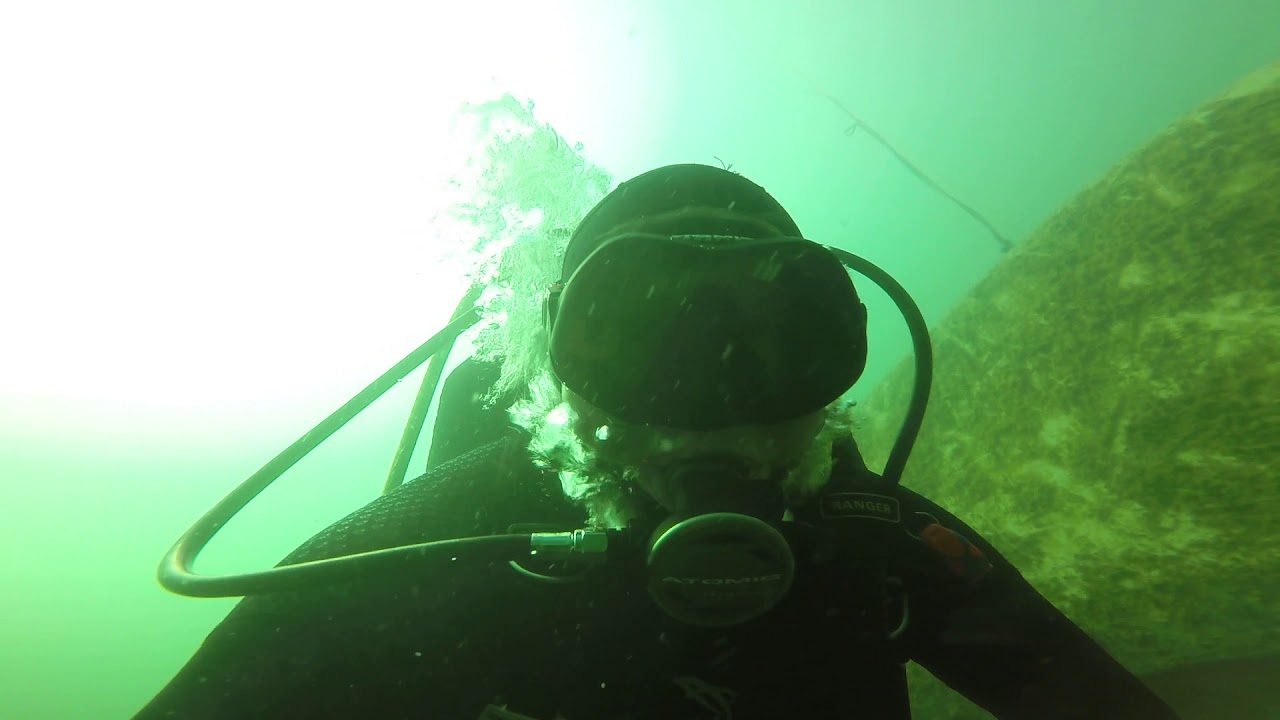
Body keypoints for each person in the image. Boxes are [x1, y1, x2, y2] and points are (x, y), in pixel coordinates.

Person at [135, 164, 1181, 719]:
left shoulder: (878, 550)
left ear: (832, 368)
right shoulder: (433, 545)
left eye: (781, 341)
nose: (716, 405)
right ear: (558, 370)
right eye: (638, 339)